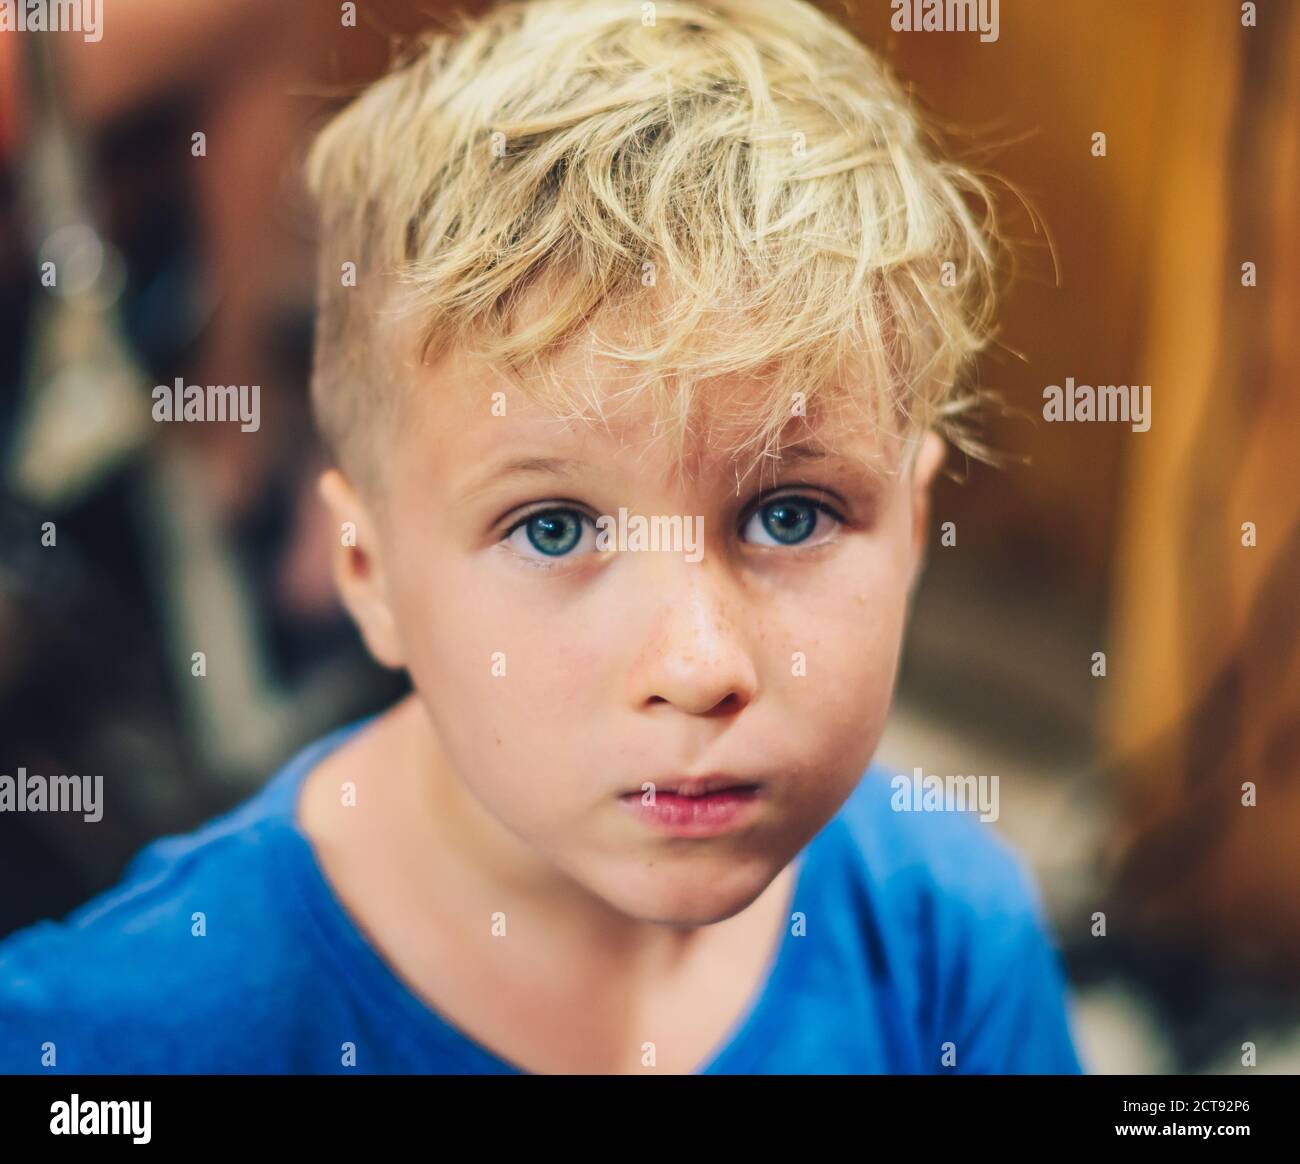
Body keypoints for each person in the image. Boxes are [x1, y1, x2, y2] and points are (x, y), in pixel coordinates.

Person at [0, 0, 1086, 1074]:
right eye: (555, 528)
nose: (699, 668)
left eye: (789, 515)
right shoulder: (118, 1033)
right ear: (366, 575)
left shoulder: (950, 942)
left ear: (912, 527)